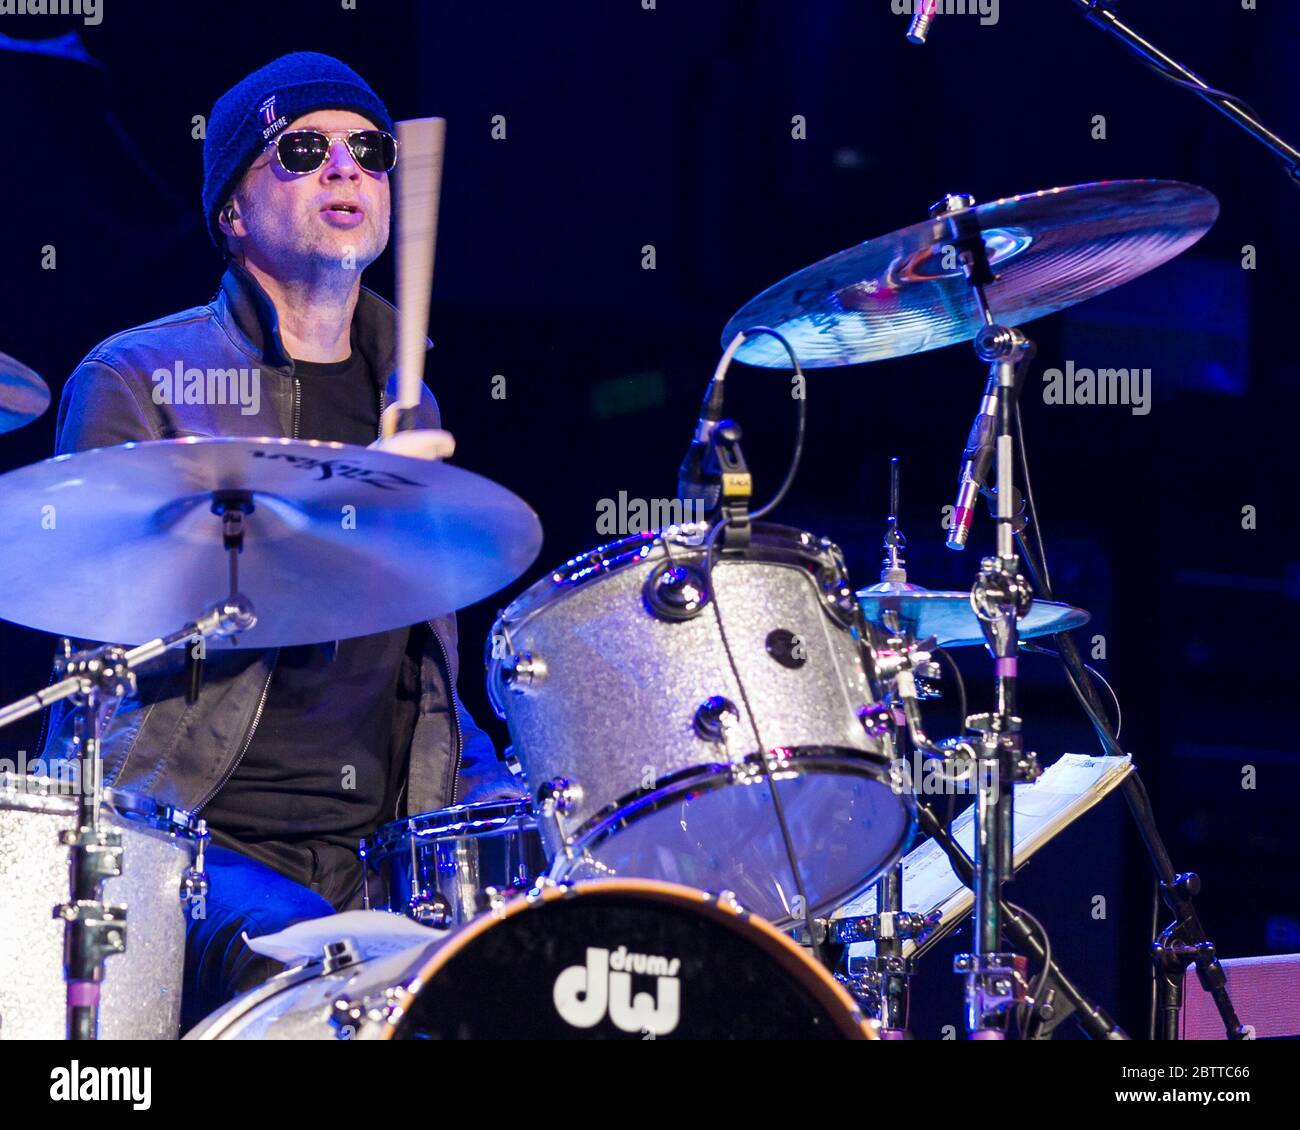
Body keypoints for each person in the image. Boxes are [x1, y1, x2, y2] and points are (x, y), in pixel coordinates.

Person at [40, 52, 517, 1032]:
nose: (345, 169)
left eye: (369, 150)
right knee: (325, 969)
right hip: (186, 836)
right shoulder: (139, 376)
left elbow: (418, 675)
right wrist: (340, 521)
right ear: (231, 211)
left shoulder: (408, 394)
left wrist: (536, 794)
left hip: (377, 846)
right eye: (303, 150)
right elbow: (114, 621)